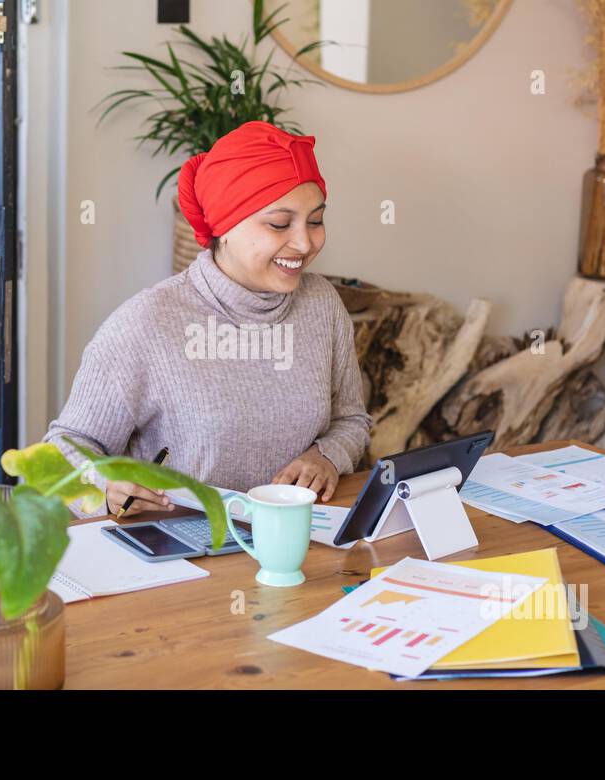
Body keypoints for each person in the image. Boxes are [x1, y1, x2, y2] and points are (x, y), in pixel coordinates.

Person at [44, 121, 372, 517]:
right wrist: (104, 485)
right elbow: (63, 450)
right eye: (280, 224)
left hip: (300, 539)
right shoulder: (146, 323)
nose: (304, 243)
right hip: (180, 550)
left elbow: (352, 419)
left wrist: (328, 456)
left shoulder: (322, 304)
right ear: (224, 227)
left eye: (315, 221)